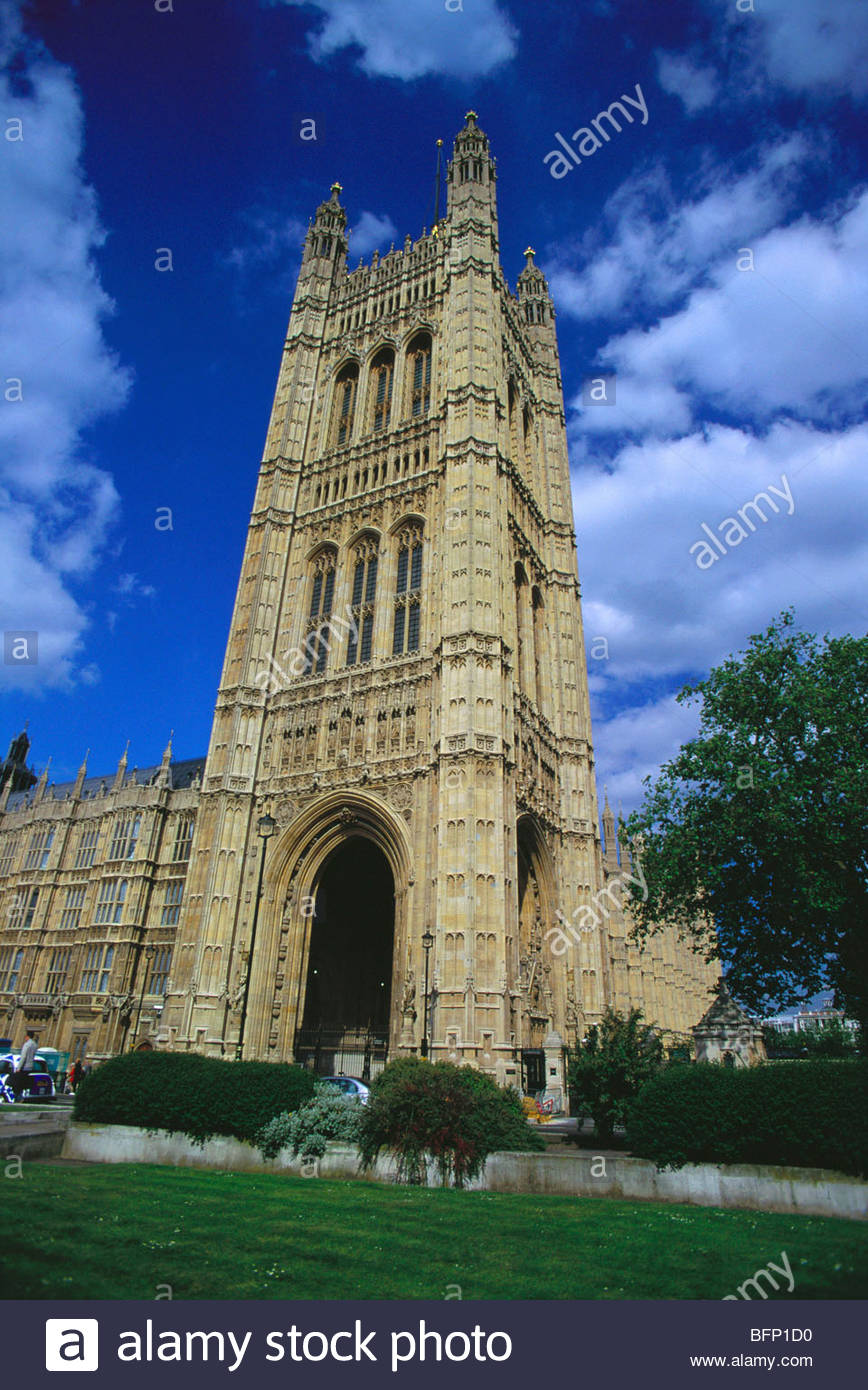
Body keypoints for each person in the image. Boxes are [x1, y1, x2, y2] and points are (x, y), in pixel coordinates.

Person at [11, 1029, 38, 1101]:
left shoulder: (26, 1045)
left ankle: (18, 1097)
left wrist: (18, 1067)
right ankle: (22, 1096)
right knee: (24, 1083)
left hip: (24, 1066)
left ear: (27, 1037)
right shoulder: (35, 1045)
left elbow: (23, 1057)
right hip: (30, 1066)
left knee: (18, 1083)